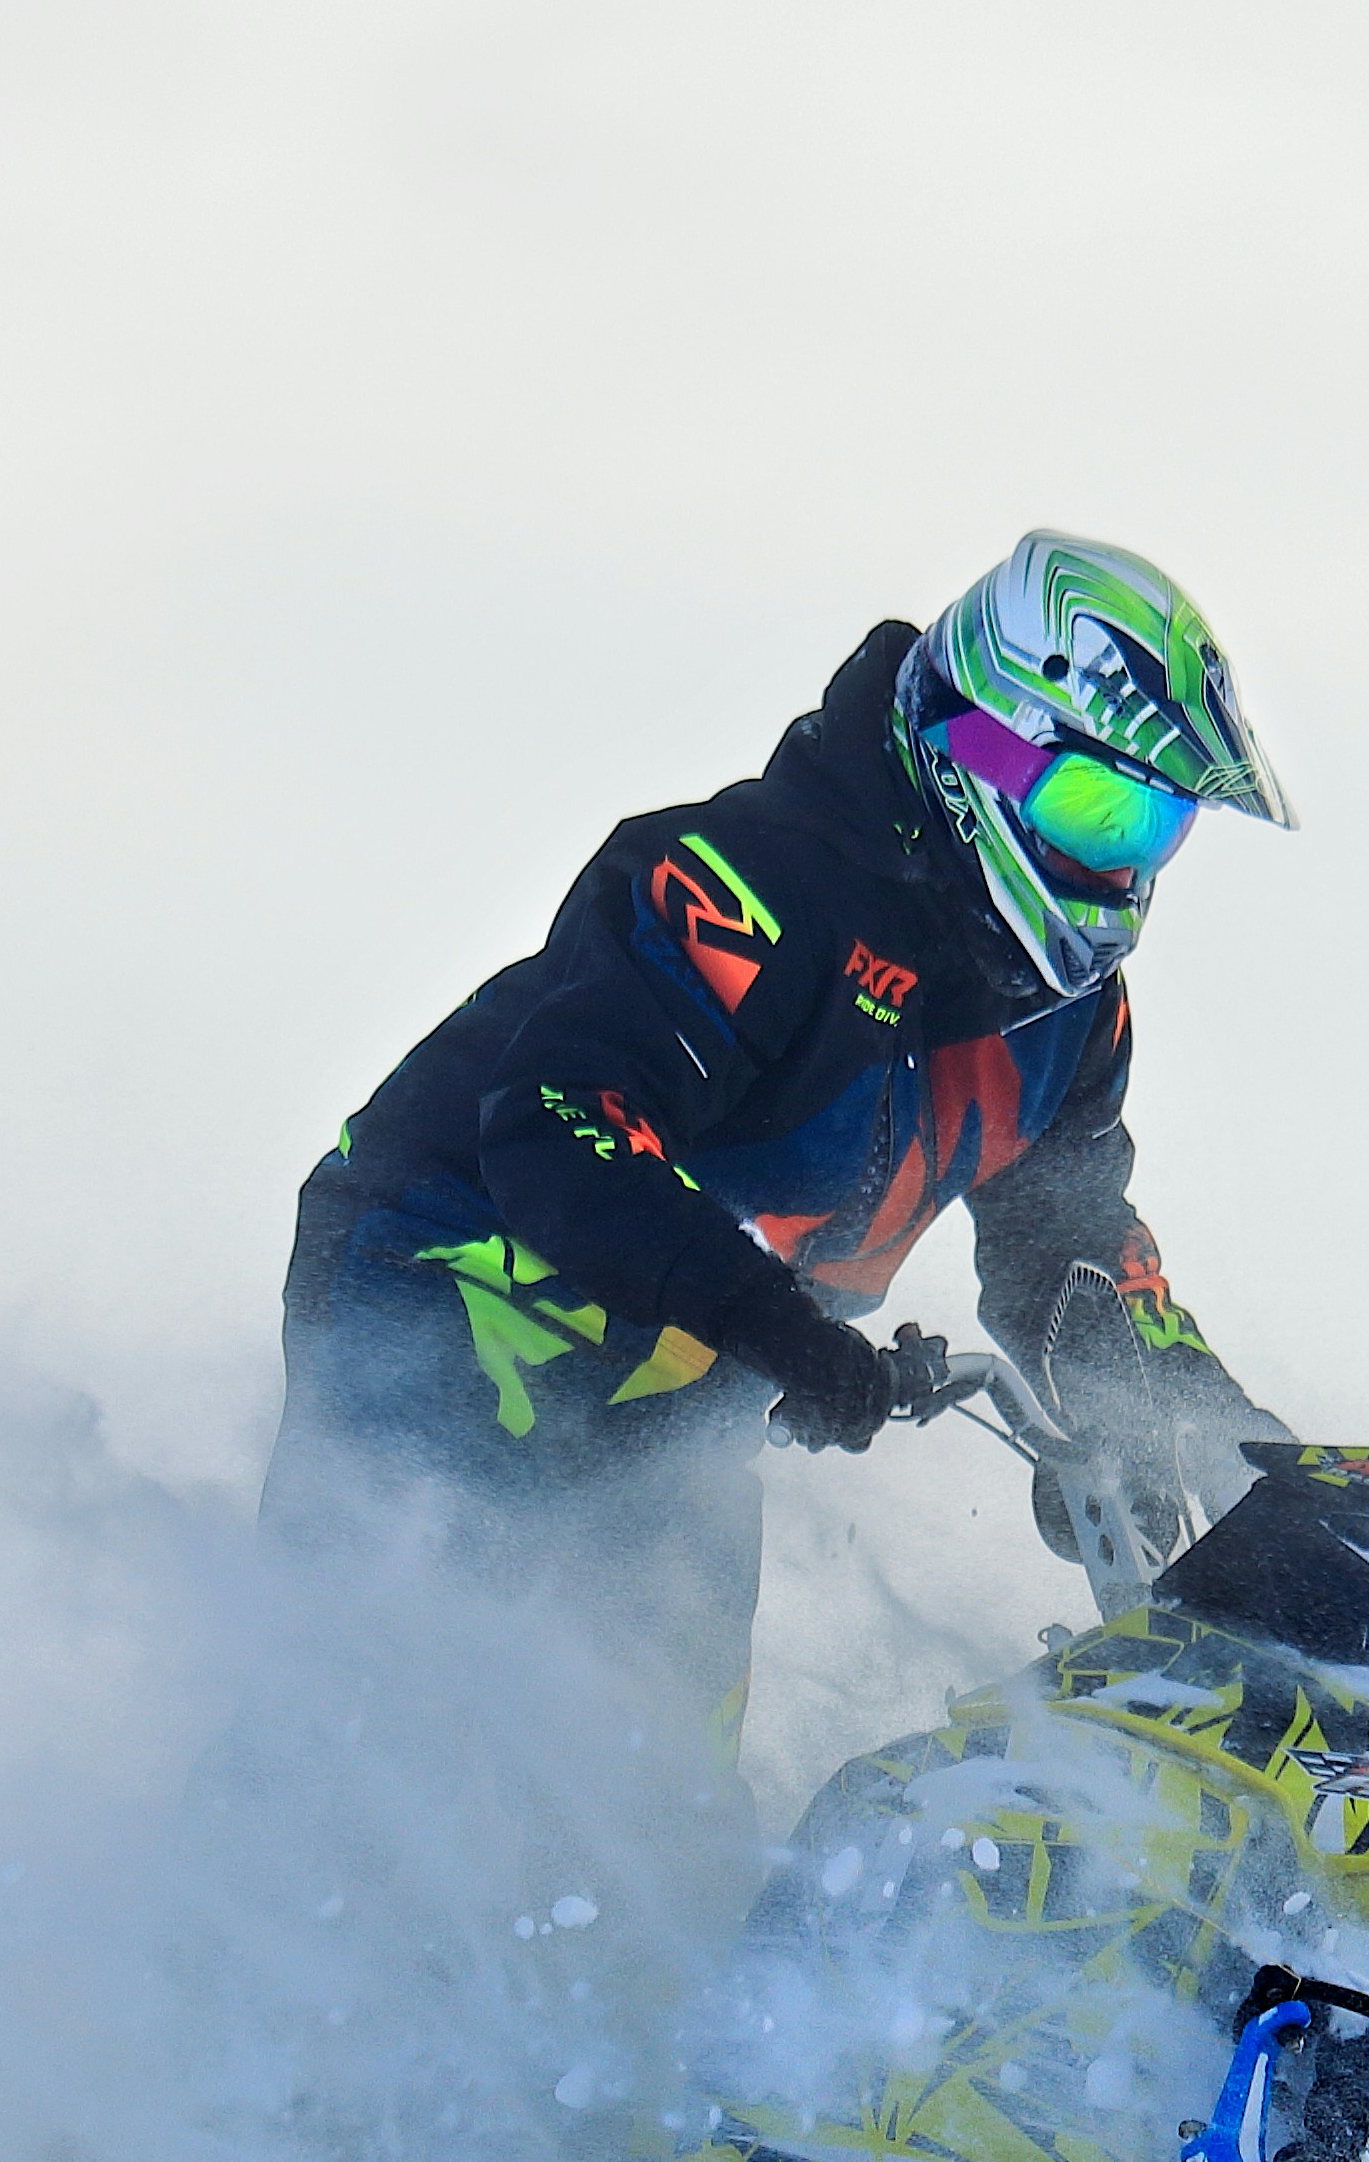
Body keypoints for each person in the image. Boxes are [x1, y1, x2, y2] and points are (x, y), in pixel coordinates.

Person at [265, 533, 1299, 1726]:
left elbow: (1065, 1254)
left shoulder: (1069, 1023)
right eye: (1097, 809)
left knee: (658, 1783)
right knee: (382, 1704)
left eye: (1152, 830)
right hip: (448, 1273)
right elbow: (561, 1120)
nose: (1119, 868)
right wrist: (779, 1328)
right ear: (976, 754)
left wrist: (1202, 1438)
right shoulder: (757, 888)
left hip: (690, 1379)